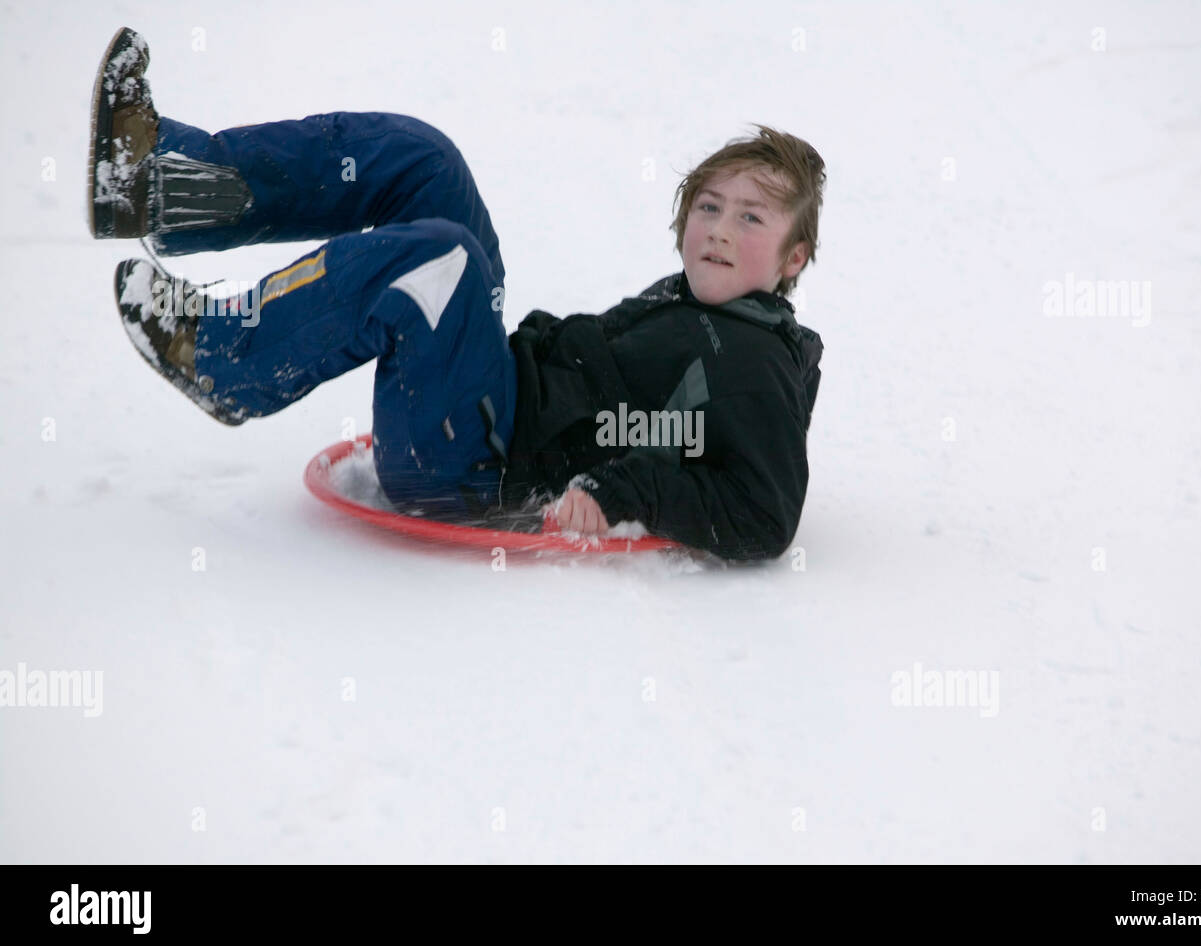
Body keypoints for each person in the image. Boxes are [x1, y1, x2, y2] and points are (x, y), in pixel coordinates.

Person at [89, 27, 825, 561]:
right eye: (709, 207)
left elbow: (766, 514)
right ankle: (161, 183)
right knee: (424, 162)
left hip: (475, 468)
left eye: (751, 218)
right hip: (491, 400)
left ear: (794, 258)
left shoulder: (753, 364)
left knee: (440, 263)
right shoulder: (706, 310)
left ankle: (222, 357)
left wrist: (624, 487)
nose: (720, 230)